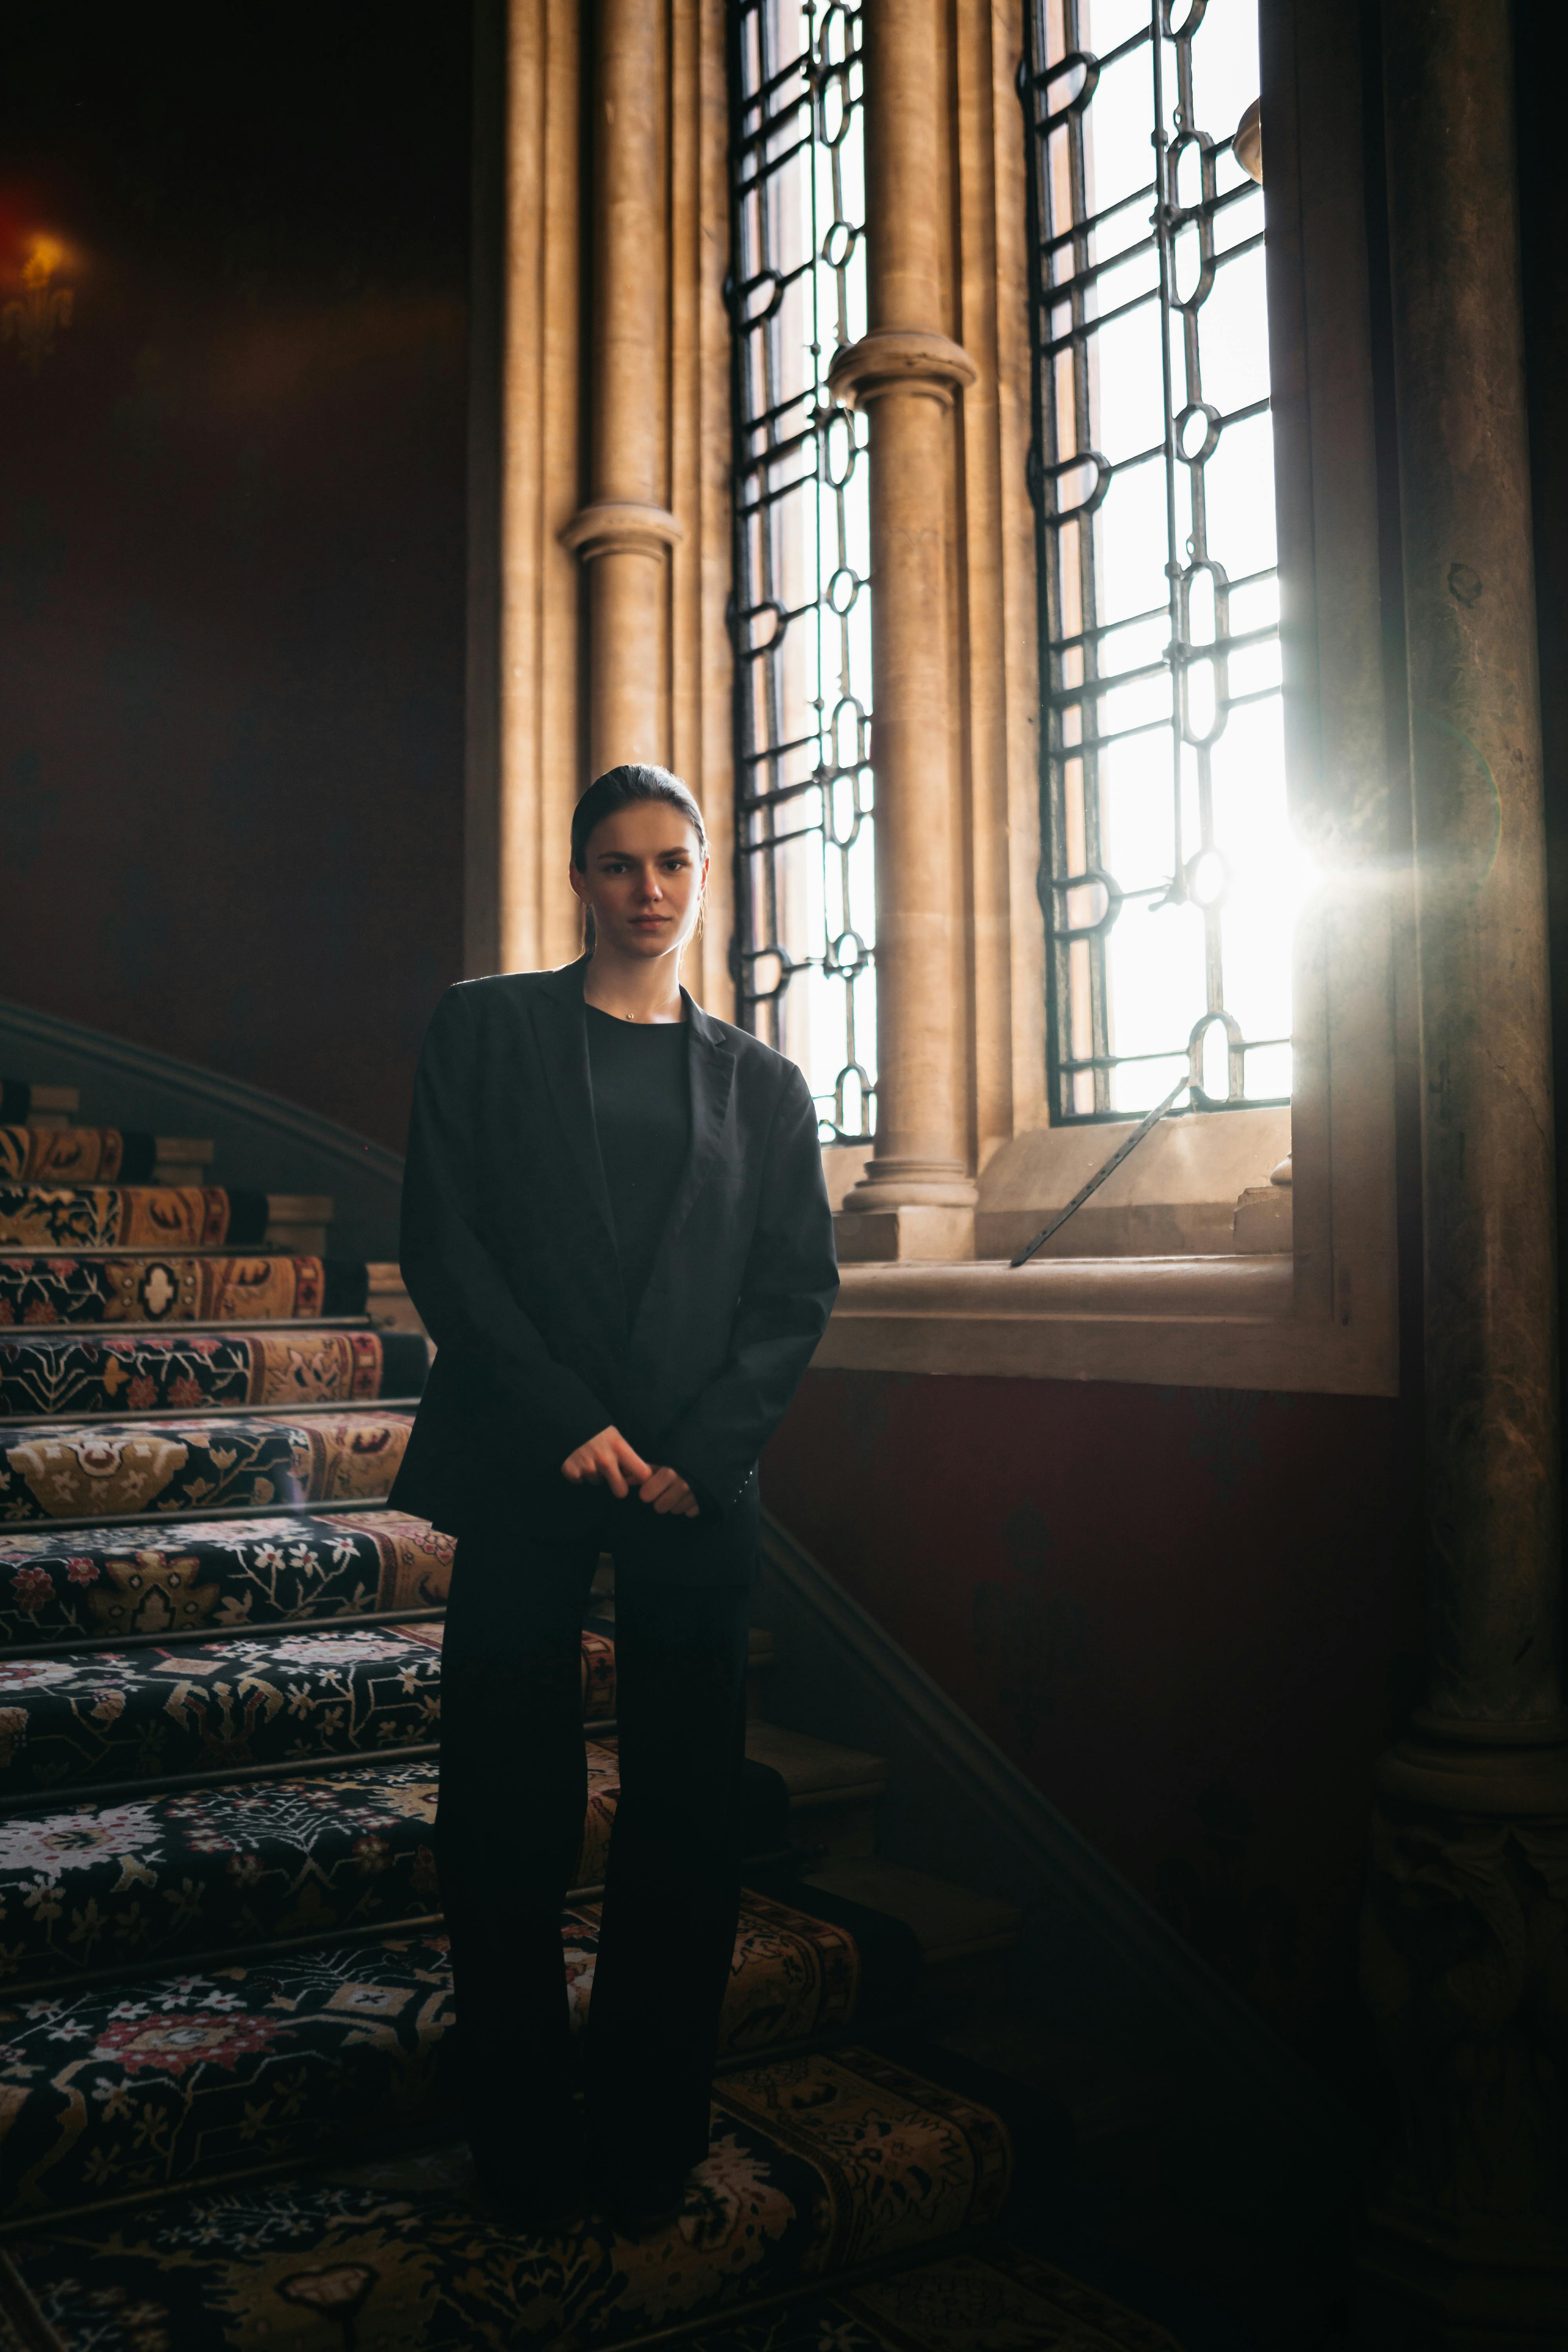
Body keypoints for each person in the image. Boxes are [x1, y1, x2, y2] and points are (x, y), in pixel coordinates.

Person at [390, 762, 838, 2232]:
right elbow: (445, 1243)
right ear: (579, 878)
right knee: (502, 1806)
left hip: (695, 1488)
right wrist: (564, 1417)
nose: (648, 889)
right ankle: (520, 2141)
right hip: (526, 1458)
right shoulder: (485, 1028)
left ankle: (650, 2140)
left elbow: (794, 1294)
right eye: (618, 863)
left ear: (704, 876)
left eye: (672, 863)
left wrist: (707, 1450)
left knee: (686, 1820)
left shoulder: (766, 1085)